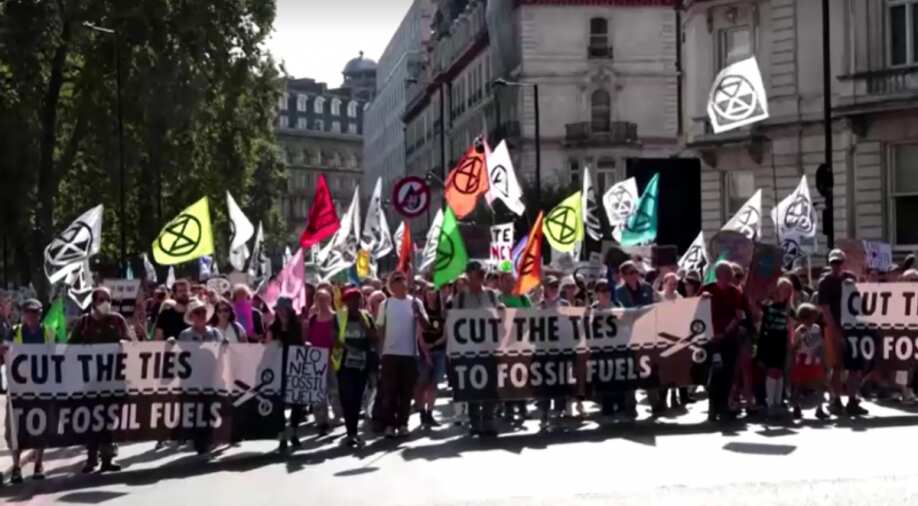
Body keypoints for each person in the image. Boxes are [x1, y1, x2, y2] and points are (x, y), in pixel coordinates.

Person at [70, 287, 132, 473]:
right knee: (91, 418)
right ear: (94, 301)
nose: (106, 302)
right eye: (102, 299)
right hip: (89, 380)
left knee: (109, 419)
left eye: (108, 299)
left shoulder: (117, 320)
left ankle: (108, 458)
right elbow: (70, 346)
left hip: (113, 378)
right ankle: (91, 457)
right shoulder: (84, 322)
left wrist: (124, 344)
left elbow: (130, 342)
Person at [450, 261, 503, 436]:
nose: (480, 276)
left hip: (490, 349)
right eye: (476, 273)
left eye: (482, 273)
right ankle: (475, 421)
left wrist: (501, 311)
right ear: (469, 275)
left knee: (491, 385)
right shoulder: (460, 299)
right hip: (469, 350)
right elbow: (453, 324)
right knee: (473, 385)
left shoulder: (492, 295)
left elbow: (501, 318)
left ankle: (489, 419)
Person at [376, 271, 429, 438]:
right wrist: (381, 352)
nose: (400, 283)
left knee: (406, 392)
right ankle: (390, 424)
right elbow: (380, 329)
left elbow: (427, 326)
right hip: (390, 354)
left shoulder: (415, 302)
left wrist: (418, 314)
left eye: (402, 280)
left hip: (409, 353)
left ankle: (403, 423)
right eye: (396, 281)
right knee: (389, 392)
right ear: (391, 286)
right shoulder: (385, 304)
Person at [3, 299, 52, 483]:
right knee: (14, 430)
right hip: (18, 390)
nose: (32, 316)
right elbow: (4, 356)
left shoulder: (48, 332)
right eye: (28, 312)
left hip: (42, 389)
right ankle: (16, 467)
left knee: (41, 427)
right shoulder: (14, 331)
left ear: (40, 314)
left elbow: (60, 355)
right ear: (23, 313)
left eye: (36, 312)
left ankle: (38, 463)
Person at [818, 249, 868, 416]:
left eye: (839, 262)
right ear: (829, 263)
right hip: (834, 328)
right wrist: (835, 330)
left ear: (844, 262)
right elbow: (825, 309)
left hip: (853, 328)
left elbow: (859, 301)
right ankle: (836, 400)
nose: (836, 266)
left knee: (855, 366)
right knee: (837, 366)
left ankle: (852, 400)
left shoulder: (851, 278)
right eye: (833, 262)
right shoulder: (825, 282)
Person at [615, 261, 662, 416]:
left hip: (646, 334)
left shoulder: (647, 288)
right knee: (631, 370)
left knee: (649, 368)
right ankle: (630, 405)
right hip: (627, 336)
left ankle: (655, 402)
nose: (634, 275)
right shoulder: (619, 292)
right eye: (629, 272)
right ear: (622, 276)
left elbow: (656, 305)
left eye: (635, 271)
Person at [702, 261, 747, 422]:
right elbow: (698, 314)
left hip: (728, 338)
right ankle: (713, 408)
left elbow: (738, 315)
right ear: (717, 275)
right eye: (725, 275)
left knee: (728, 373)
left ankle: (724, 406)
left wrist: (724, 332)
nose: (728, 278)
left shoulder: (735, 292)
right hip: (711, 340)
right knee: (715, 374)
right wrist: (712, 334)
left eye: (730, 275)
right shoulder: (706, 290)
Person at [336, 288, 376, 447]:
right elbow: (333, 338)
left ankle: (353, 432)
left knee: (357, 398)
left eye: (358, 300)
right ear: (346, 302)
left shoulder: (367, 317)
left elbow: (374, 338)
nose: (355, 303)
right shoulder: (339, 317)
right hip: (344, 364)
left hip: (362, 364)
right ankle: (350, 432)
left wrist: (363, 323)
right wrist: (348, 348)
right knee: (347, 398)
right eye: (351, 300)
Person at [268, 297, 306, 452]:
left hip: (295, 367)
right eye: (279, 309)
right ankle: (282, 435)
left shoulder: (298, 326)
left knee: (297, 401)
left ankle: (294, 432)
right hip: (279, 368)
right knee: (280, 404)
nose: (281, 312)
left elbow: (303, 343)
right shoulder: (273, 328)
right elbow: (268, 348)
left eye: (284, 309)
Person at [306, 289, 344, 435]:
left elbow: (341, 339)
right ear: (315, 301)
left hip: (333, 359)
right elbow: (308, 338)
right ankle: (321, 418)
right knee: (318, 391)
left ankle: (338, 415)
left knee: (334, 389)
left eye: (325, 299)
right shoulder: (312, 319)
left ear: (330, 300)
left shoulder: (336, 318)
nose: (322, 302)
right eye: (319, 299)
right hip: (316, 360)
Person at [757, 278, 794, 418]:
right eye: (783, 288)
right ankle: (770, 403)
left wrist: (790, 342)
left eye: (788, 289)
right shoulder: (769, 305)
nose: (785, 292)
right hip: (769, 341)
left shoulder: (789, 308)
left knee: (779, 372)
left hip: (782, 342)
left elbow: (790, 327)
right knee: (772, 371)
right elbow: (757, 303)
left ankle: (778, 403)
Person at [789, 303, 830, 420]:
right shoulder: (799, 330)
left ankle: (819, 409)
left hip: (815, 360)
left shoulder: (817, 328)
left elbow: (820, 344)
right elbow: (794, 346)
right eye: (811, 317)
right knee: (799, 385)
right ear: (804, 317)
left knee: (819, 385)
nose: (813, 319)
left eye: (814, 317)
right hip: (802, 360)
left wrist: (823, 358)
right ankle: (796, 407)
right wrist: (800, 339)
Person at [417, 282, 447, 428]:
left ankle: (430, 413)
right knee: (423, 384)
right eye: (428, 292)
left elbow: (444, 334)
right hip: (424, 353)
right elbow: (419, 333)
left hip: (439, 351)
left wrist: (434, 345)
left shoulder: (442, 311)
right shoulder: (422, 310)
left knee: (434, 384)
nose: (431, 294)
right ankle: (422, 413)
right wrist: (426, 350)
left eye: (433, 291)